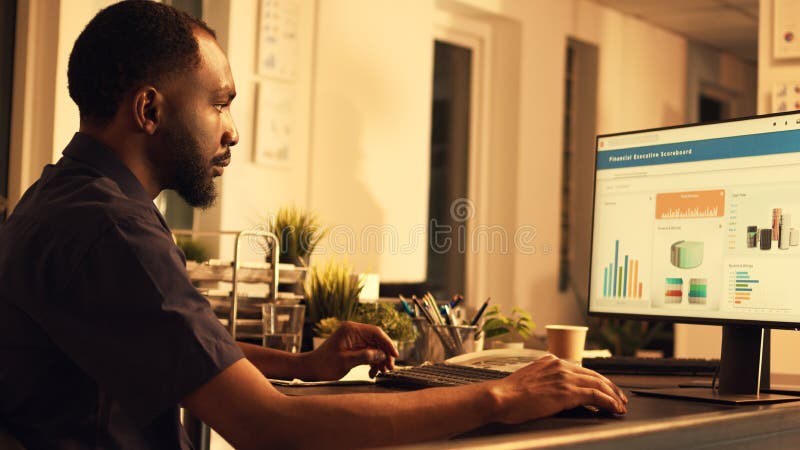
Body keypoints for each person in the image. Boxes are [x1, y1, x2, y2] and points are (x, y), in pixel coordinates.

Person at [0, 1, 627, 449]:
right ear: (148, 108)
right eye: (218, 103)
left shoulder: (63, 199)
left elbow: (169, 348)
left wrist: (301, 365)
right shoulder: (111, 231)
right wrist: (504, 396)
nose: (232, 131)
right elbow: (269, 429)